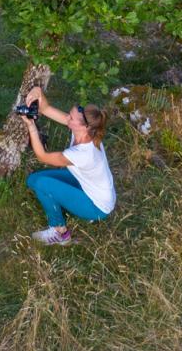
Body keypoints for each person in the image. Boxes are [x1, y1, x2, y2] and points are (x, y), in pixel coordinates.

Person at [20, 85, 115, 245]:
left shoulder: (83, 154)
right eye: (69, 115)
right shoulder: (83, 131)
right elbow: (47, 109)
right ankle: (64, 202)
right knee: (33, 180)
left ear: (85, 127)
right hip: (86, 185)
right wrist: (38, 91)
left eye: (71, 118)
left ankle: (59, 232)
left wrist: (31, 126)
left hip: (97, 206)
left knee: (42, 184)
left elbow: (42, 156)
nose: (67, 119)